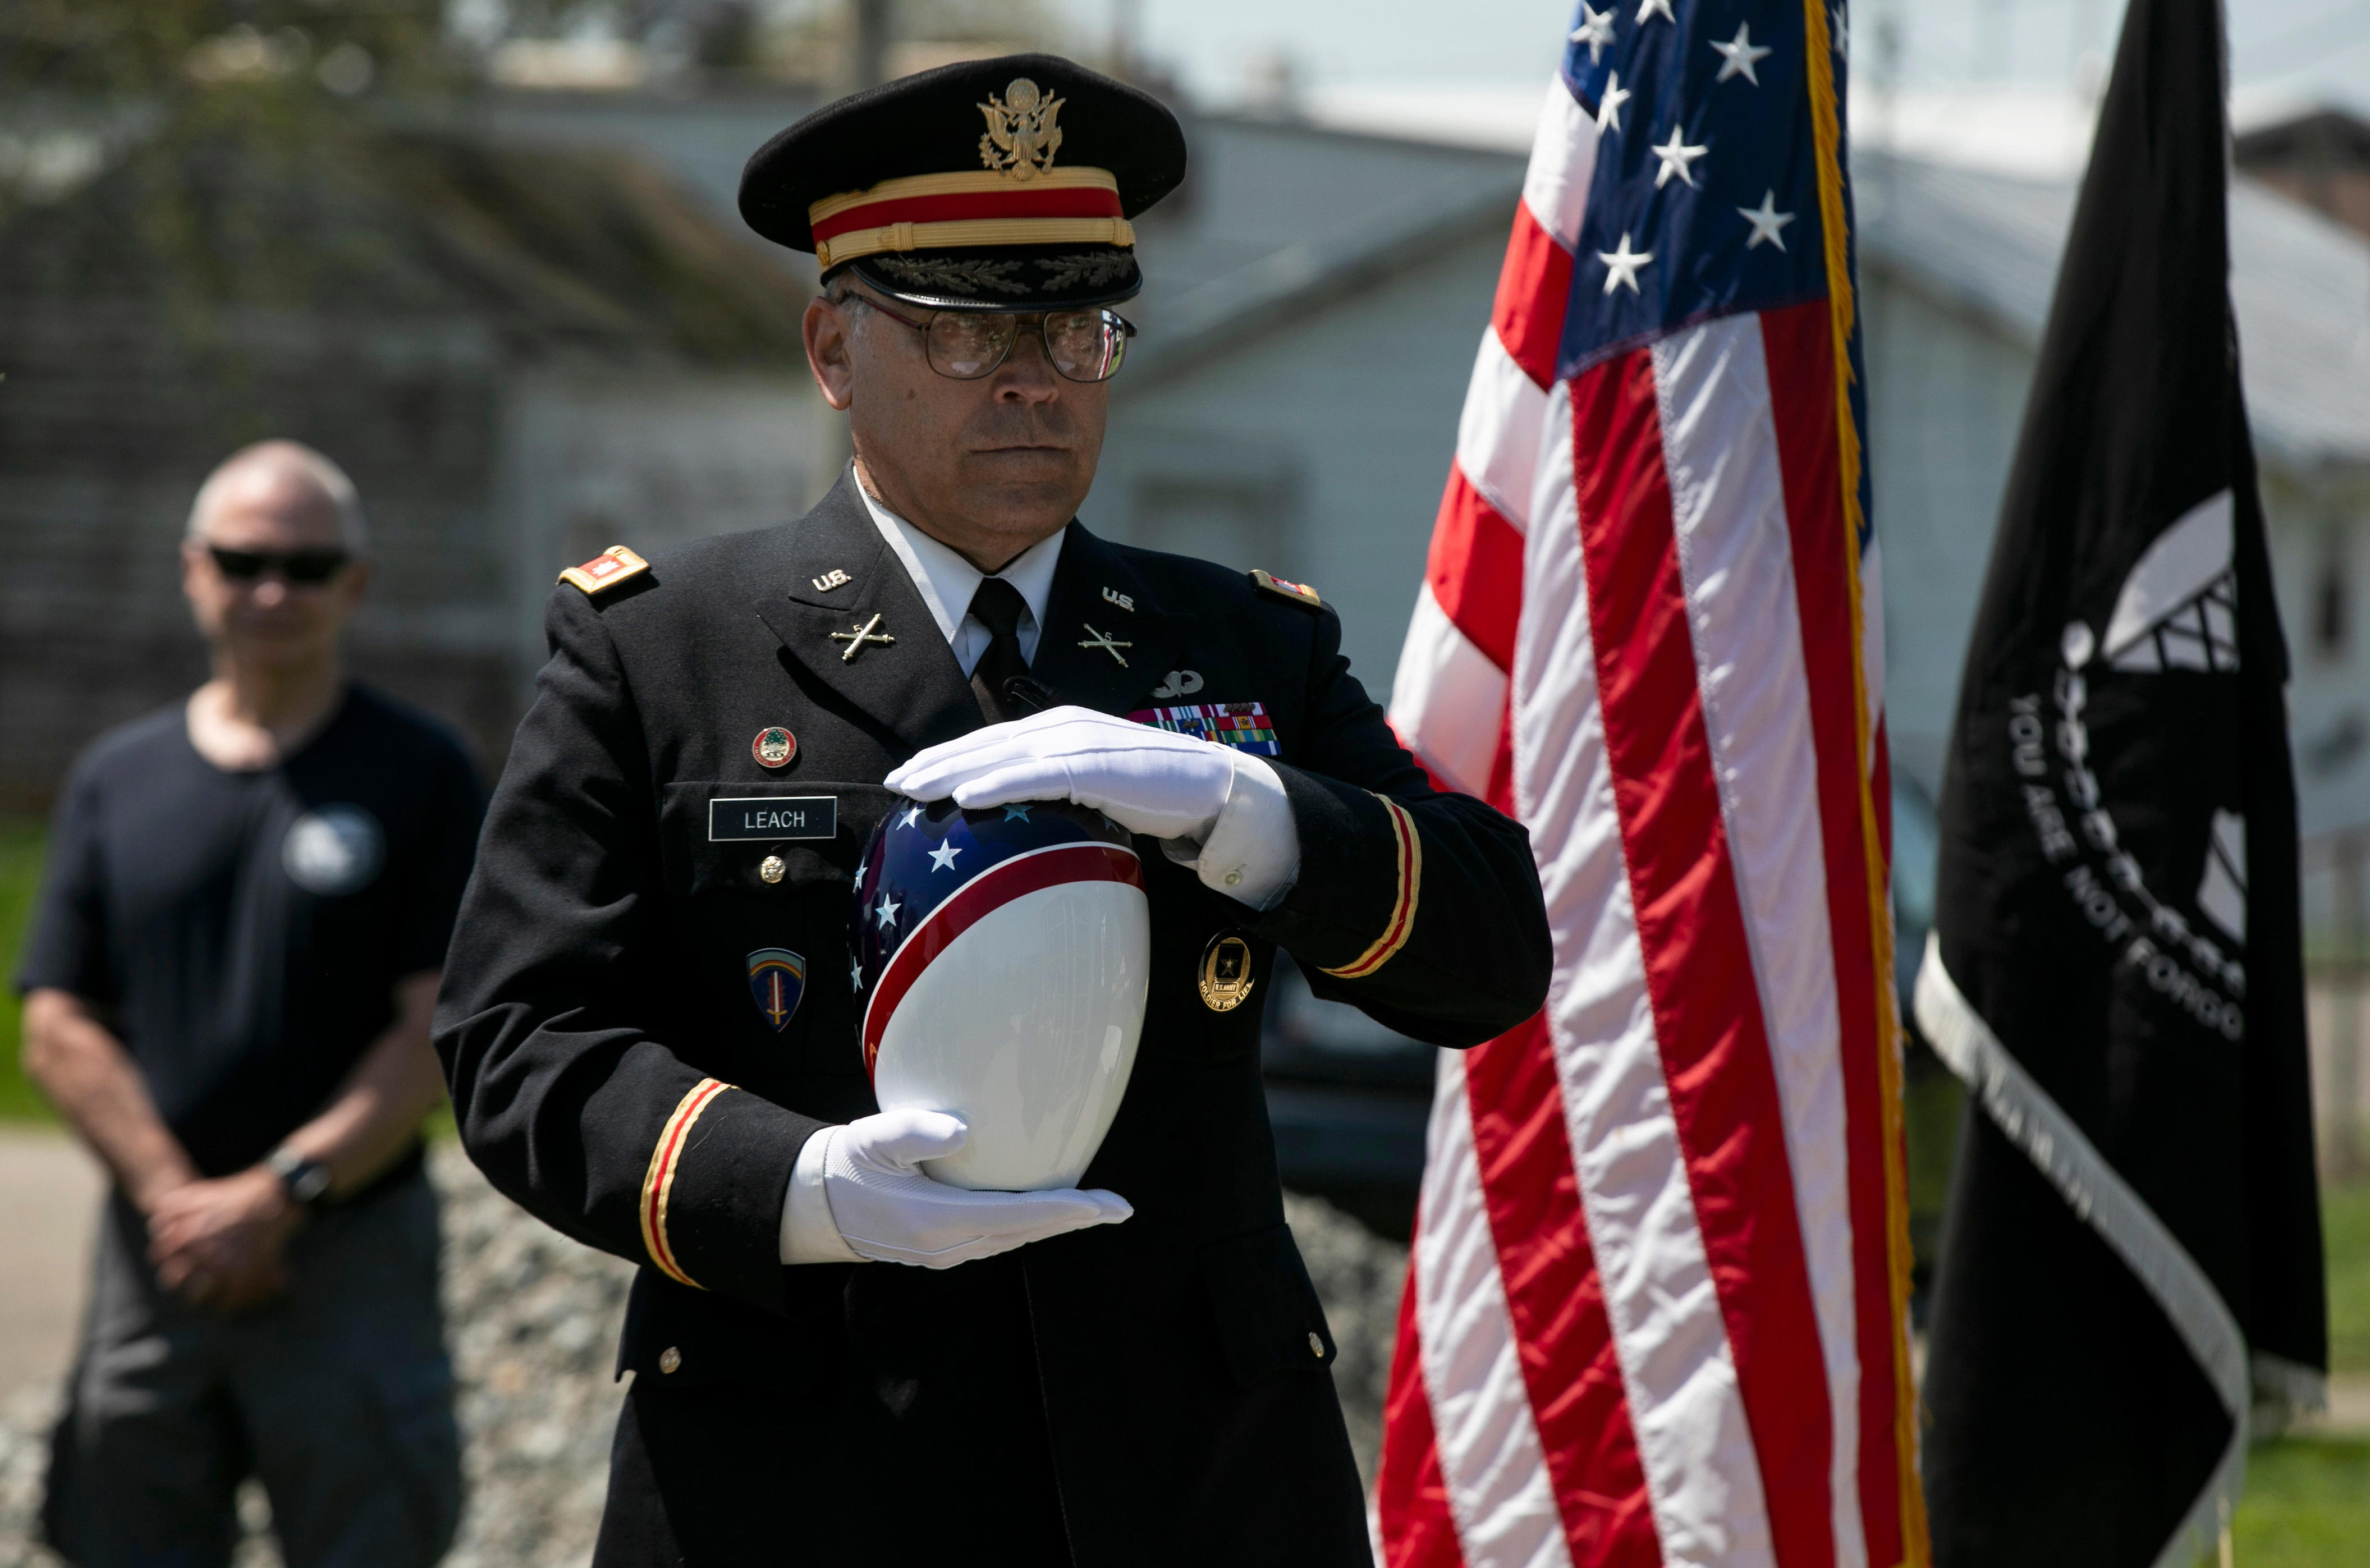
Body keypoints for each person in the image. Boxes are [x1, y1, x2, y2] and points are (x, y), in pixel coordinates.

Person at [434, 54, 1552, 1568]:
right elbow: (519, 1043)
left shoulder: (1240, 646)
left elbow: (1490, 952)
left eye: (1076, 327)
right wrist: (802, 1187)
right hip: (809, 1466)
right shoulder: (664, 645)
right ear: (834, 348)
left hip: (1193, 1475)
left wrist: (1257, 814)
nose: (1032, 378)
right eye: (966, 330)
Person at [16, 441, 484, 1568]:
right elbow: (56, 1020)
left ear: (356, 583)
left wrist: (281, 1192)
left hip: (350, 1245)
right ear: (194, 570)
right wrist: (185, 1201)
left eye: (308, 564)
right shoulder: (117, 777)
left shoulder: (422, 771)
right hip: (158, 1250)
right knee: (122, 1530)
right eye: (244, 560)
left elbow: (439, 1021)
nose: (273, 589)